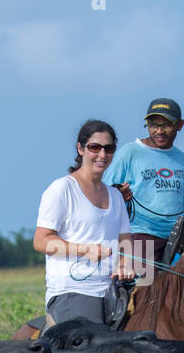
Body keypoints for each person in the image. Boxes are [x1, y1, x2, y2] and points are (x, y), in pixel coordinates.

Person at [104, 97, 184, 270]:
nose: (159, 131)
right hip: (141, 235)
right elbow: (104, 197)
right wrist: (121, 197)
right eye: (153, 125)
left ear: (180, 125)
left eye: (167, 125)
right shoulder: (129, 153)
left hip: (179, 239)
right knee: (144, 290)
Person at [34, 120, 137, 325]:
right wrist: (84, 249)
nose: (102, 154)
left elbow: (125, 240)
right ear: (80, 149)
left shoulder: (116, 196)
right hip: (74, 291)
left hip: (112, 289)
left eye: (108, 149)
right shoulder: (62, 189)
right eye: (94, 147)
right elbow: (41, 241)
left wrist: (125, 264)